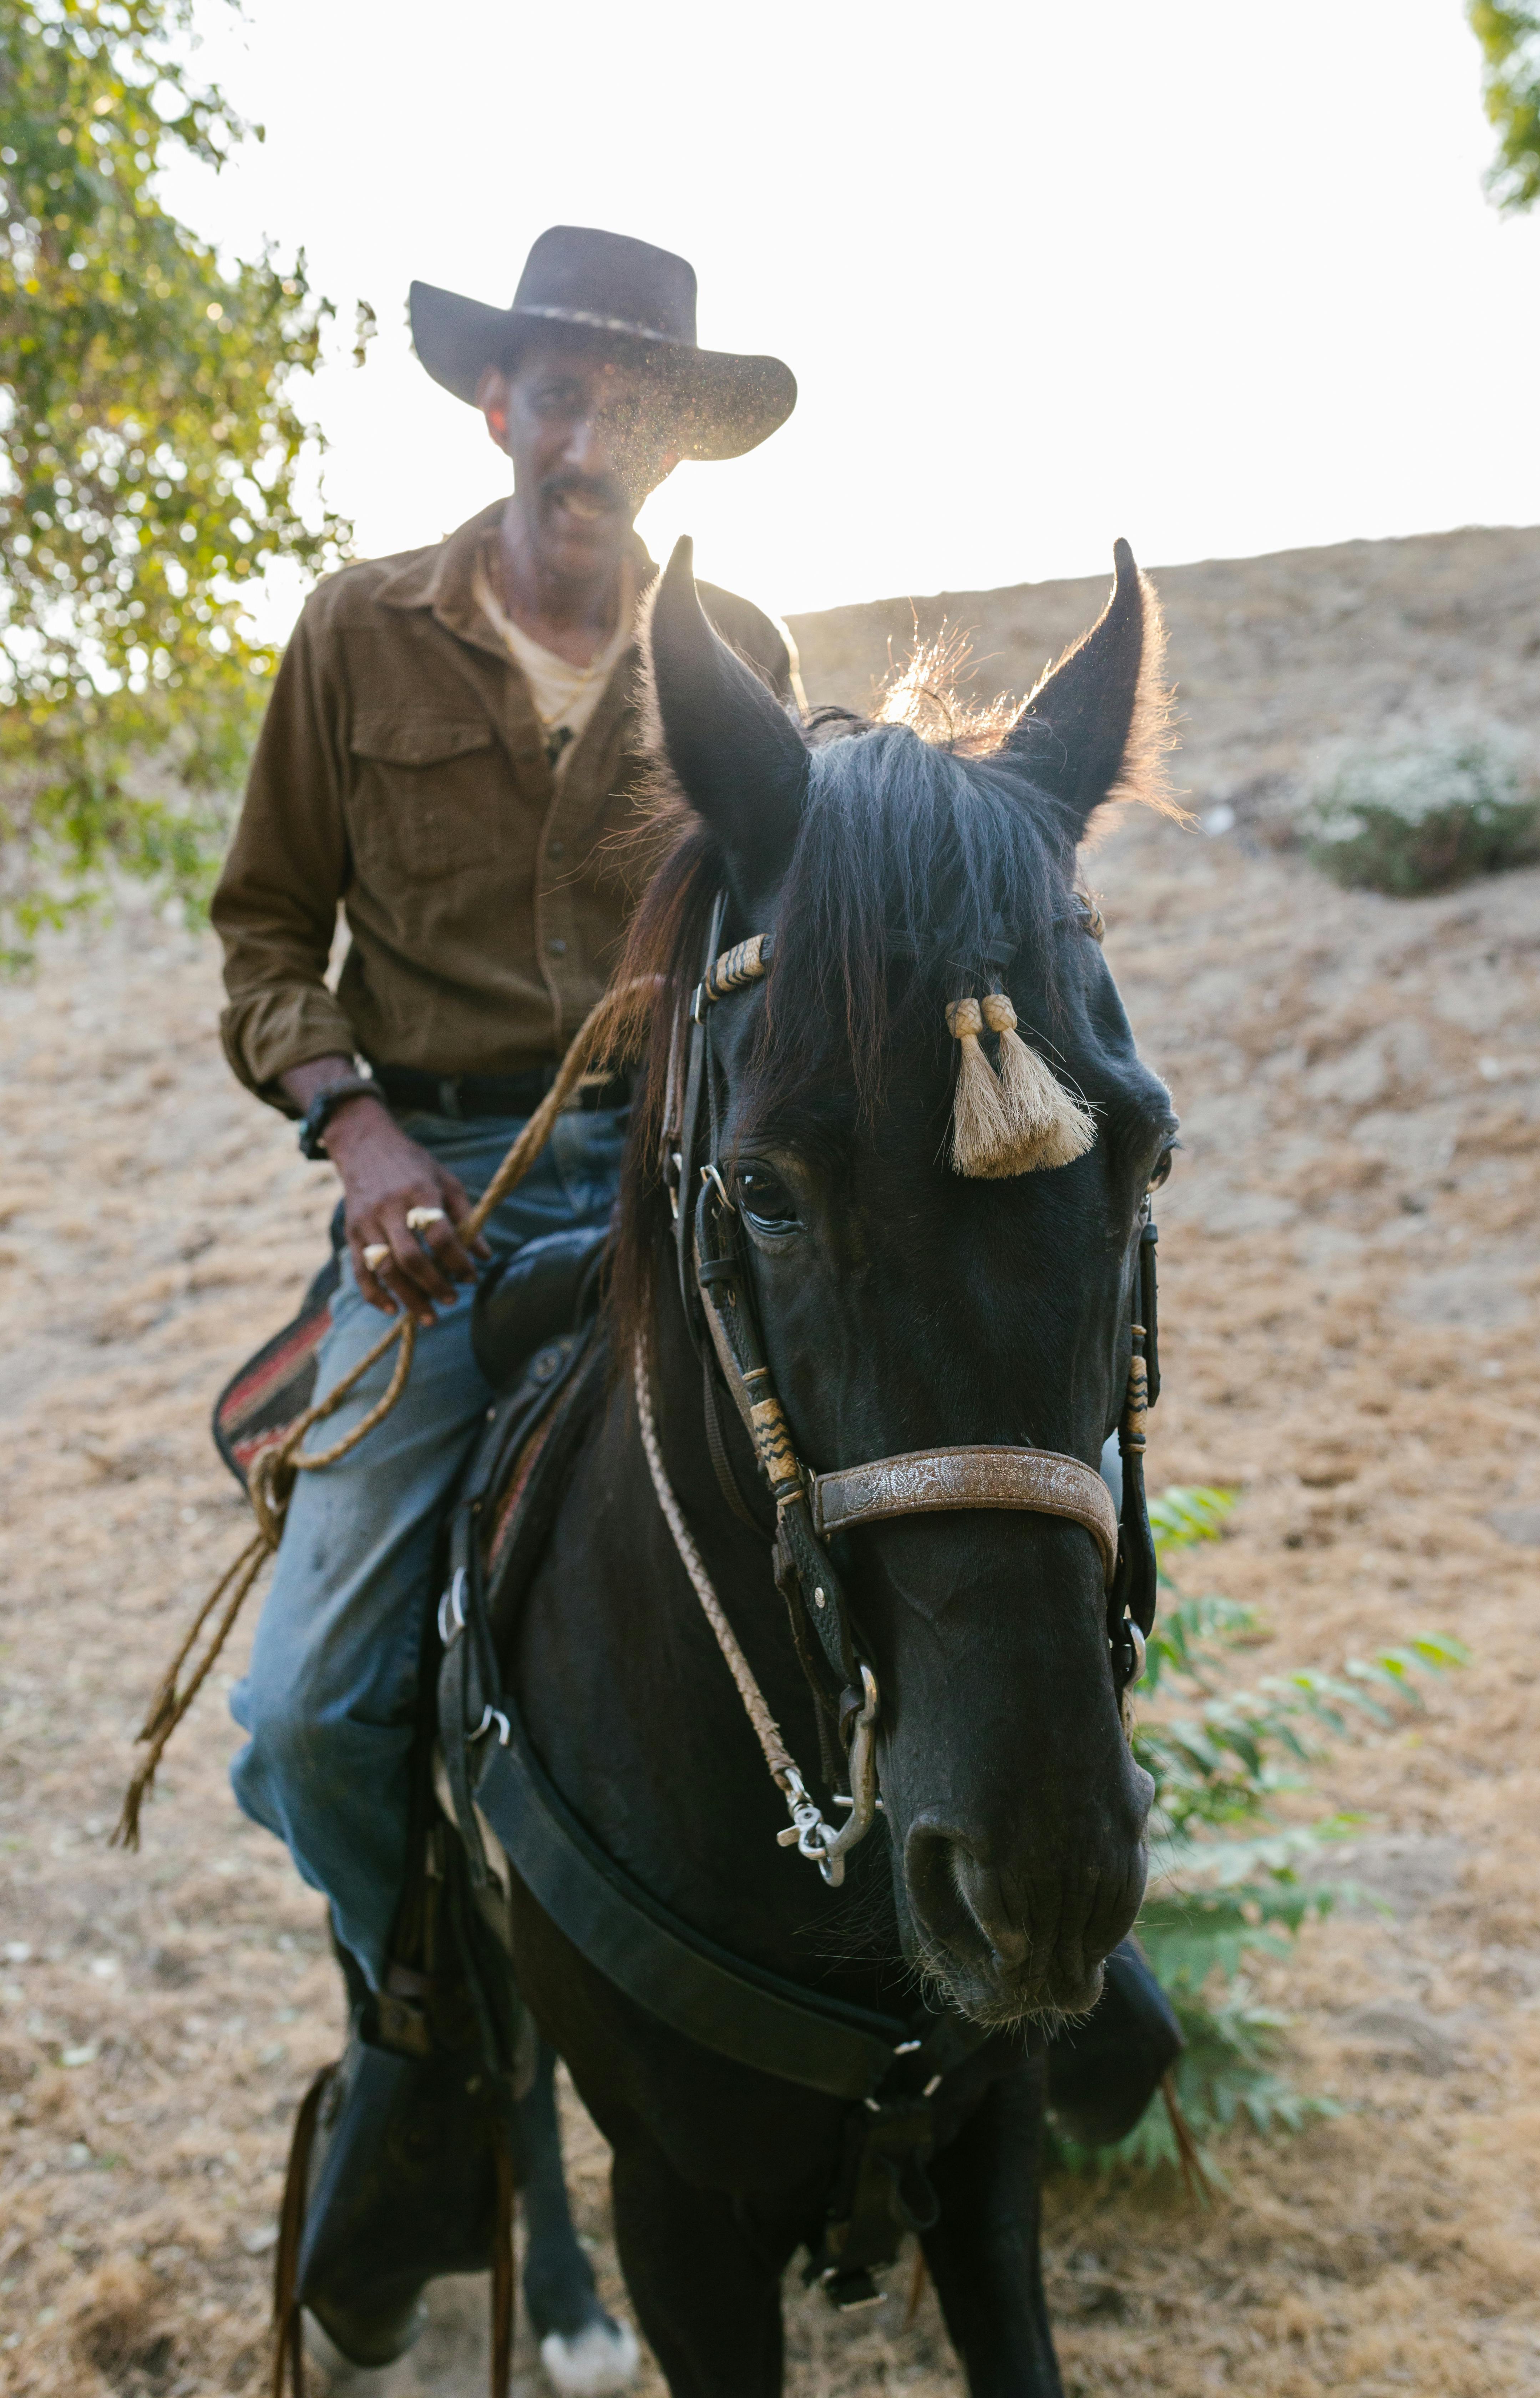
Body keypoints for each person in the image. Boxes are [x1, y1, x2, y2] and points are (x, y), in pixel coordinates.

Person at [211, 226, 799, 1997]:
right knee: (310, 1713)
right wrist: (358, 1131)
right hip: (440, 1202)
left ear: (678, 447)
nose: (594, 443)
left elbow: (792, 933)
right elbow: (260, 935)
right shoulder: (356, 635)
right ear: (496, 409)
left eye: (637, 412)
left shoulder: (744, 651)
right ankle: (424, 2003)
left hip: (684, 1166)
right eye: (562, 397)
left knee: (933, 1494)